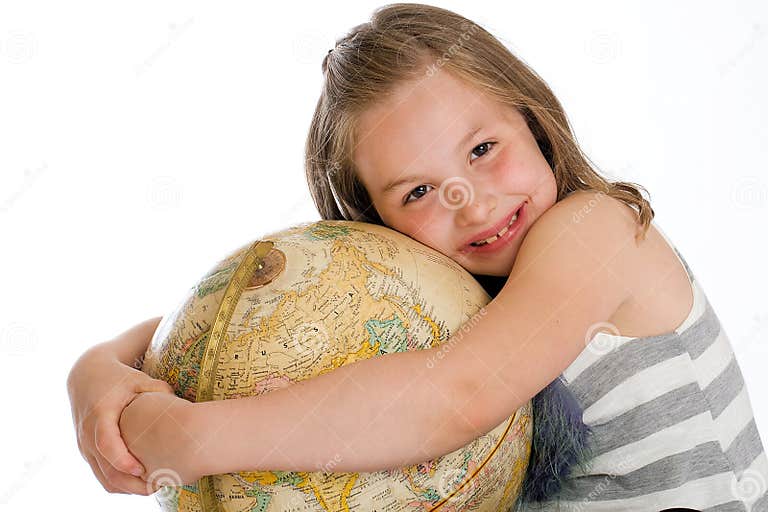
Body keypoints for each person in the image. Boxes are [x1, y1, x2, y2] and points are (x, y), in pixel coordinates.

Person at [67, 3, 768, 510]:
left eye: (483, 149)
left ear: (533, 118)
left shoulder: (593, 230)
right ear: (372, 227)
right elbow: (225, 329)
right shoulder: (444, 294)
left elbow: (456, 398)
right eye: (420, 191)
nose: (472, 201)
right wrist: (95, 373)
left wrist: (199, 440)